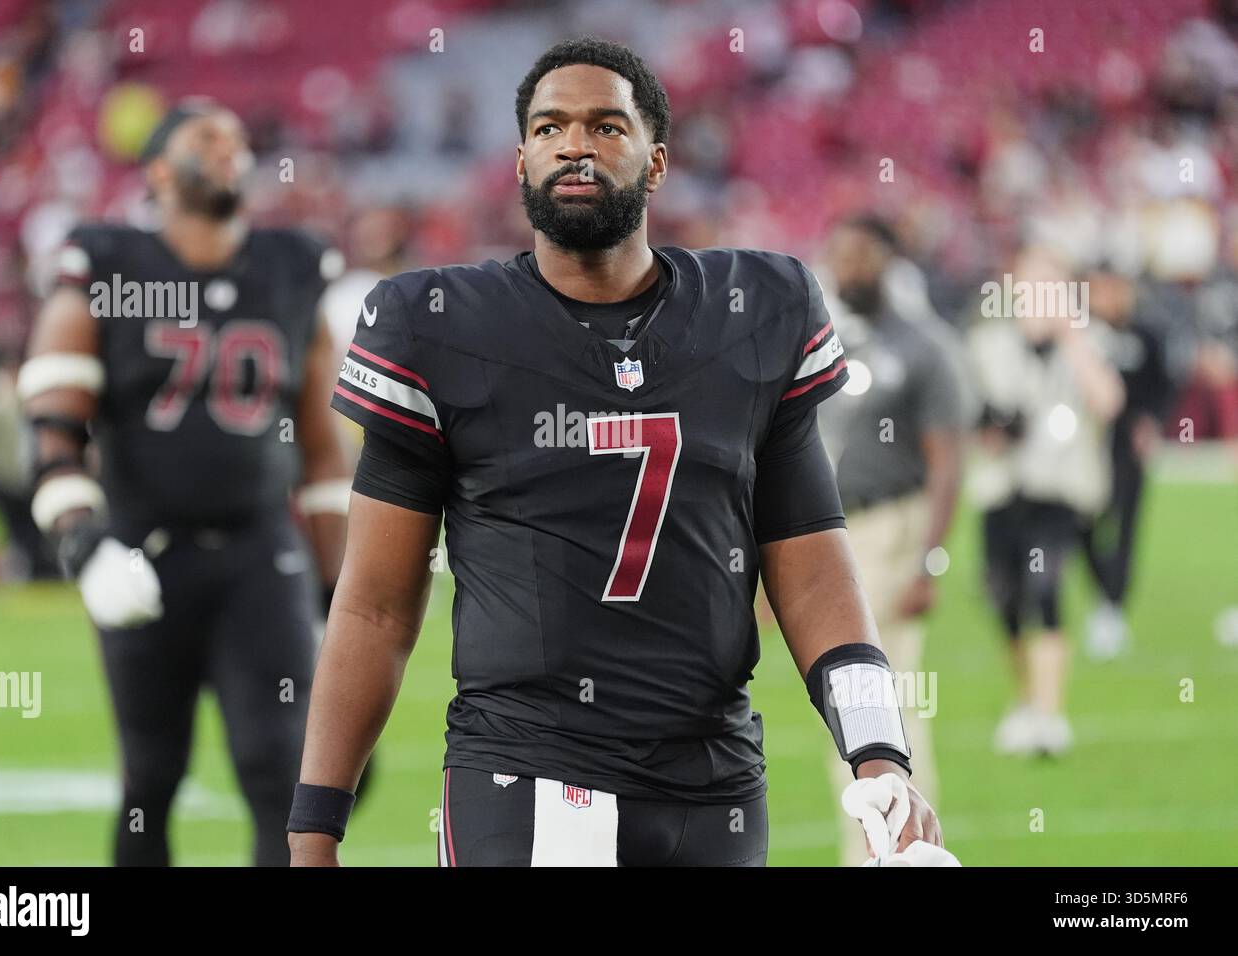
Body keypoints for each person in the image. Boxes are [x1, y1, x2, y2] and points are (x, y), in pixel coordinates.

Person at [287, 36, 941, 867]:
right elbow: (375, 605)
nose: (574, 144)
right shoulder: (439, 325)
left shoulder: (755, 311)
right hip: (527, 776)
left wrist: (879, 757)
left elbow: (814, 569)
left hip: (716, 781)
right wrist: (314, 828)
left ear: (656, 161)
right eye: (549, 126)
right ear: (521, 159)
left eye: (606, 126)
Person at [20, 100, 352, 865]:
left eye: (240, 136)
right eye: (209, 137)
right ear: (160, 170)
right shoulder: (105, 262)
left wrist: (340, 589)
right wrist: (84, 545)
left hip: (261, 554)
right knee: (150, 778)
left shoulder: (292, 264)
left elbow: (324, 451)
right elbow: (53, 432)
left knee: (282, 775)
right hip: (143, 551)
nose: (232, 147)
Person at [817, 215, 968, 866]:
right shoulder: (832, 341)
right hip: (840, 534)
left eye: (861, 255)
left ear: (889, 260)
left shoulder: (924, 345)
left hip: (893, 529)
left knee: (877, 697)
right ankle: (890, 846)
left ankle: (896, 847)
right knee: (856, 699)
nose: (849, 268)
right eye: (840, 255)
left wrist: (929, 561)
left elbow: (948, 462)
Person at [968, 245, 1125, 757]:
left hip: (1059, 489)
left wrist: (1072, 336)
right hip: (1001, 487)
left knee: (1047, 590)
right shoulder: (990, 343)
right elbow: (970, 414)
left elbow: (1107, 401)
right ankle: (1027, 699)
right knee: (1005, 600)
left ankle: (1050, 712)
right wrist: (993, 427)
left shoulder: (1088, 340)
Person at [1079, 264, 1175, 660]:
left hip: (1128, 447)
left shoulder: (1146, 335)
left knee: (1125, 528)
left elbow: (1164, 387)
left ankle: (1112, 607)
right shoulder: (1080, 336)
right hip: (1087, 448)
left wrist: (1151, 422)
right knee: (1081, 524)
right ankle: (1106, 594)